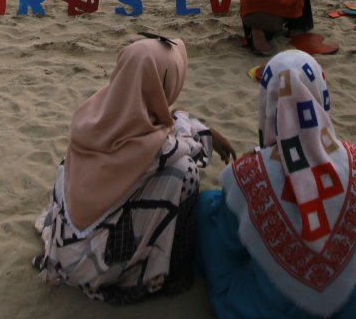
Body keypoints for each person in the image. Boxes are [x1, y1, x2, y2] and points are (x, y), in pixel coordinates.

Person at [34, 36, 236, 304]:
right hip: (94, 266)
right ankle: (168, 270)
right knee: (185, 173)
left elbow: (168, 129)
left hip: (65, 245)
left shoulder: (95, 111)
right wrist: (205, 130)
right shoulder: (158, 147)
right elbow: (193, 149)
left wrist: (181, 118)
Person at [196, 50, 356, 319]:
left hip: (265, 310)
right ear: (321, 96)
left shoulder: (250, 174)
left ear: (267, 104)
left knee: (209, 207)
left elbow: (230, 244)